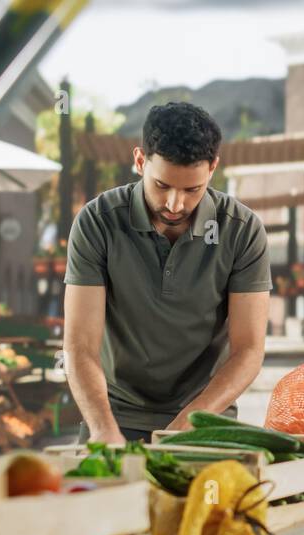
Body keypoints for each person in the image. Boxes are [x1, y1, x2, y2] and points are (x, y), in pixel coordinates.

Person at [63, 102, 270, 444]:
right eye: (161, 185)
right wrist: (103, 429)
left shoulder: (242, 230)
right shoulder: (97, 222)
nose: (175, 204)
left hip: (206, 419)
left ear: (213, 168)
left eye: (192, 190)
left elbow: (248, 350)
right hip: (113, 417)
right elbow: (80, 345)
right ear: (140, 161)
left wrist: (186, 425)